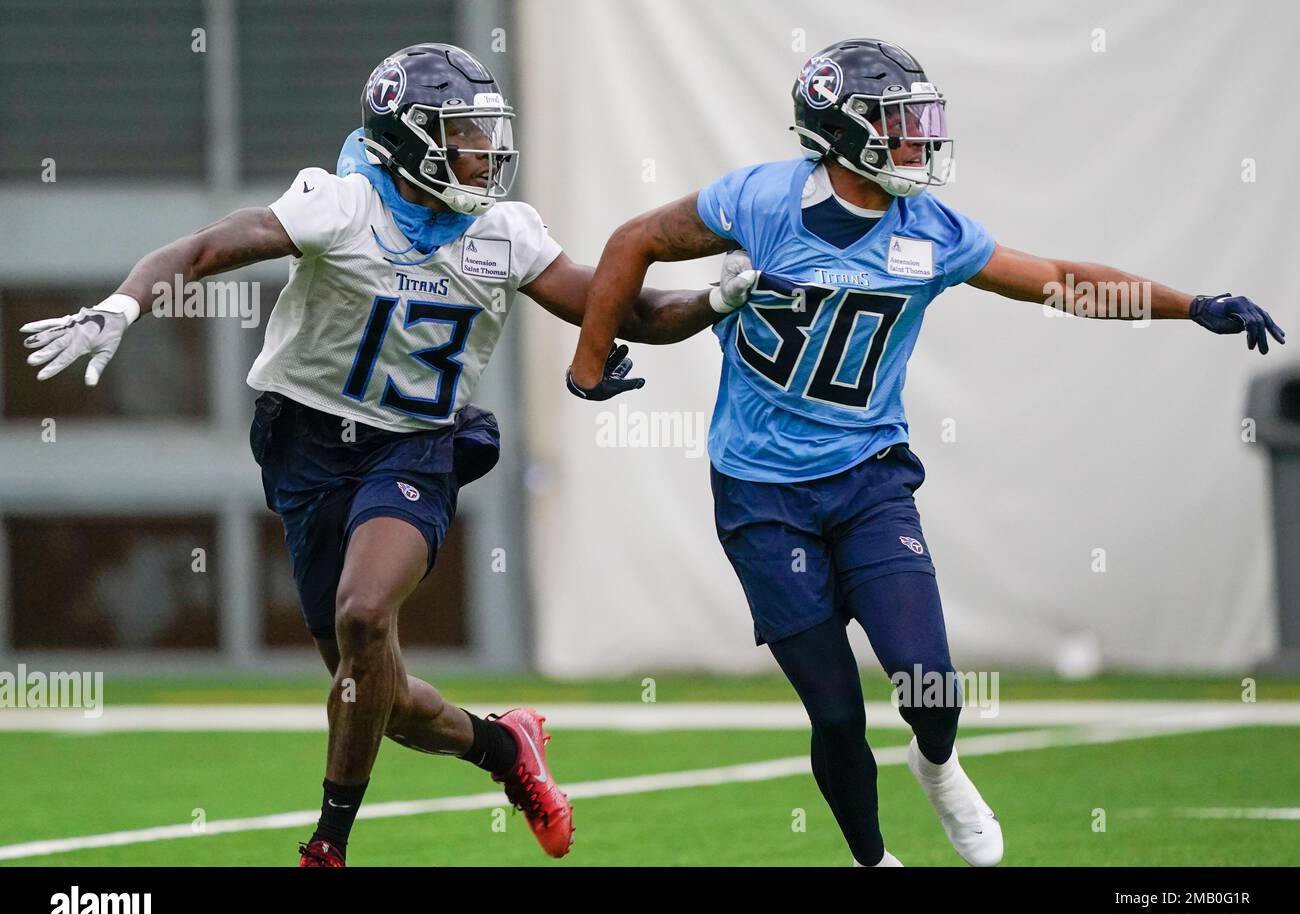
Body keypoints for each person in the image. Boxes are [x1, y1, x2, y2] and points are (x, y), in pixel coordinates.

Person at [21, 42, 759, 867]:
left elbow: (627, 309)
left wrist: (718, 298)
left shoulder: (504, 233)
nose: (485, 154)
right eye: (463, 134)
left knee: (366, 614)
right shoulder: (340, 206)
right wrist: (121, 307)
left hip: (415, 447)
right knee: (380, 694)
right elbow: (201, 250)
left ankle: (328, 846)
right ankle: (505, 747)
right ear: (406, 140)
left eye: (487, 134)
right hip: (307, 444)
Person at [564, 38, 1285, 866]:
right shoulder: (759, 202)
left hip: (869, 479)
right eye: (900, 124)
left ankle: (937, 765)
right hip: (761, 490)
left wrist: (1192, 304)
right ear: (842, 129)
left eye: (921, 123)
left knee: (930, 686)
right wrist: (588, 367)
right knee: (835, 712)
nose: (919, 141)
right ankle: (874, 861)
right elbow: (631, 242)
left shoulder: (931, 231)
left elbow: (1059, 281)